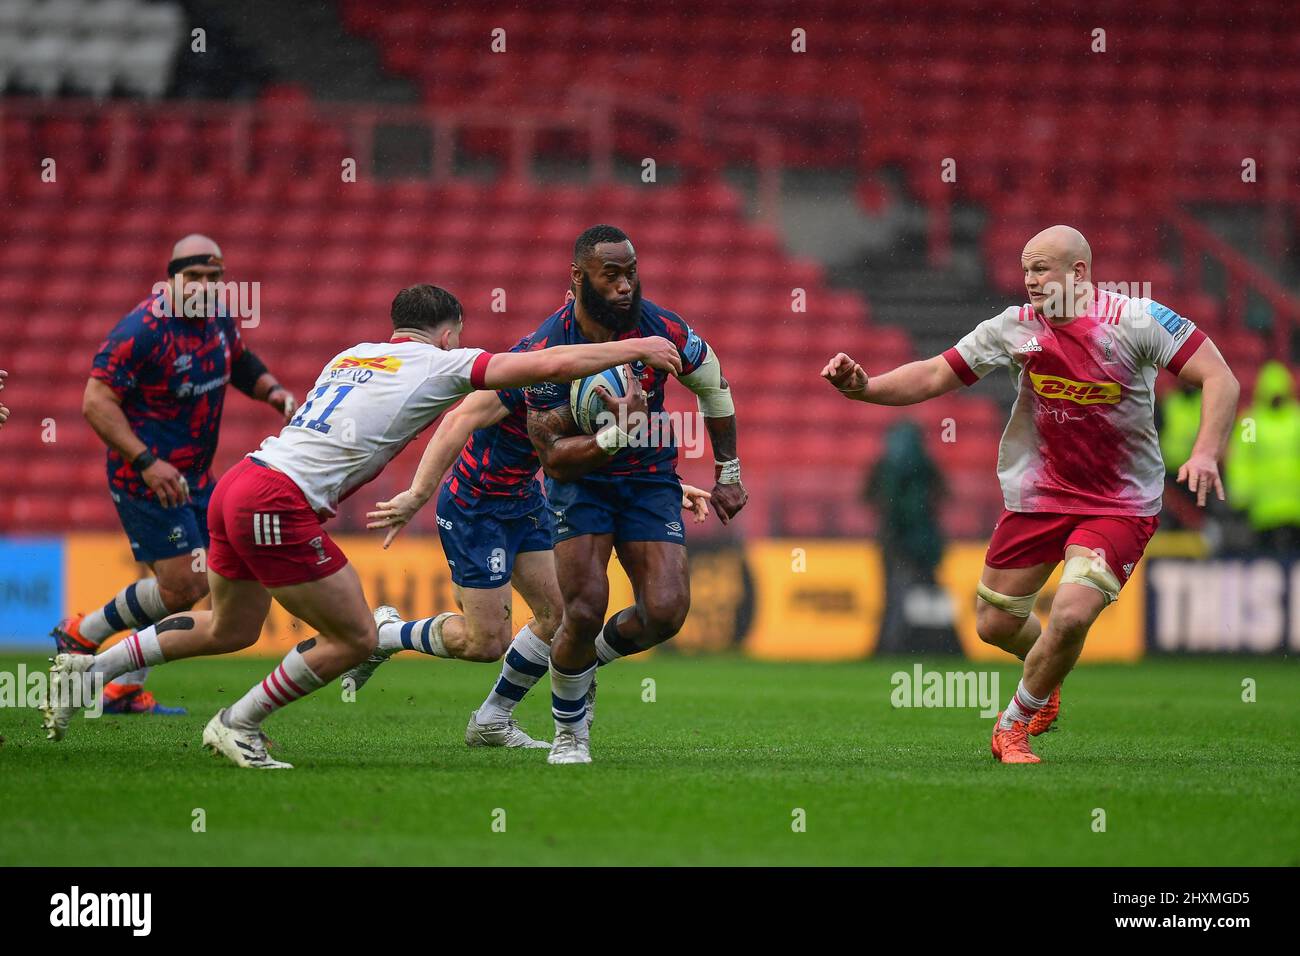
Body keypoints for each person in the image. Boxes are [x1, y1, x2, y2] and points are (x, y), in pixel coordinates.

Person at [43, 283, 683, 769]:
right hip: (278, 501)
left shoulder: (351, 356)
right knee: (350, 638)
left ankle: (90, 672)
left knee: (229, 626)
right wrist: (634, 347)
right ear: (451, 330)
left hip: (243, 480)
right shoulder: (441, 364)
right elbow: (543, 366)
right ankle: (238, 722)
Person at [822, 224, 1239, 763]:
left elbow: (1220, 377)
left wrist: (1206, 452)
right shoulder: (1015, 327)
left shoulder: (1136, 320)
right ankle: (1047, 674)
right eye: (1025, 270)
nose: (1030, 280)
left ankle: (1013, 722)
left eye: (1041, 268)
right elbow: (932, 375)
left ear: (1079, 272)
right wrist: (866, 387)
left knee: (1069, 614)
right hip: (1040, 497)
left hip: (1118, 504)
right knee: (993, 623)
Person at [354, 330, 712, 749]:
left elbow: (585, 452)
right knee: (485, 642)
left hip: (527, 502)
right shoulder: (527, 371)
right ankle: (386, 634)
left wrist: (669, 487)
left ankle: (492, 718)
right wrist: (417, 493)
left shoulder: (592, 372)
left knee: (562, 617)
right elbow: (458, 419)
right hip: (476, 507)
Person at [524, 225, 748, 765]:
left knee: (667, 611)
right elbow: (551, 455)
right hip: (582, 483)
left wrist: (729, 471)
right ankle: (570, 734)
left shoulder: (662, 328)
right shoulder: (547, 348)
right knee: (582, 609)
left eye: (631, 273)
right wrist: (618, 433)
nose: (626, 286)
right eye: (612, 275)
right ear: (579, 277)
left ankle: (583, 667)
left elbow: (714, 385)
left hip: (648, 478)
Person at [50, 235, 295, 715]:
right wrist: (146, 461)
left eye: (214, 278)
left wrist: (274, 393)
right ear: (172, 279)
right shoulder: (141, 331)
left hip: (196, 476)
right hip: (145, 478)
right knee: (185, 587)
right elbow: (95, 402)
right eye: (195, 278)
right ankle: (84, 633)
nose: (205, 287)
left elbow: (240, 362)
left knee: (195, 584)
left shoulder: (220, 319)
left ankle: (121, 688)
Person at [1224, 360, 1300, 553]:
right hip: (1263, 508)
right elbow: (1241, 459)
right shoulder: (1251, 421)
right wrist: (1241, 493)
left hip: (1293, 507)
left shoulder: (1296, 418)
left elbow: (1240, 460)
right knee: (1269, 561)